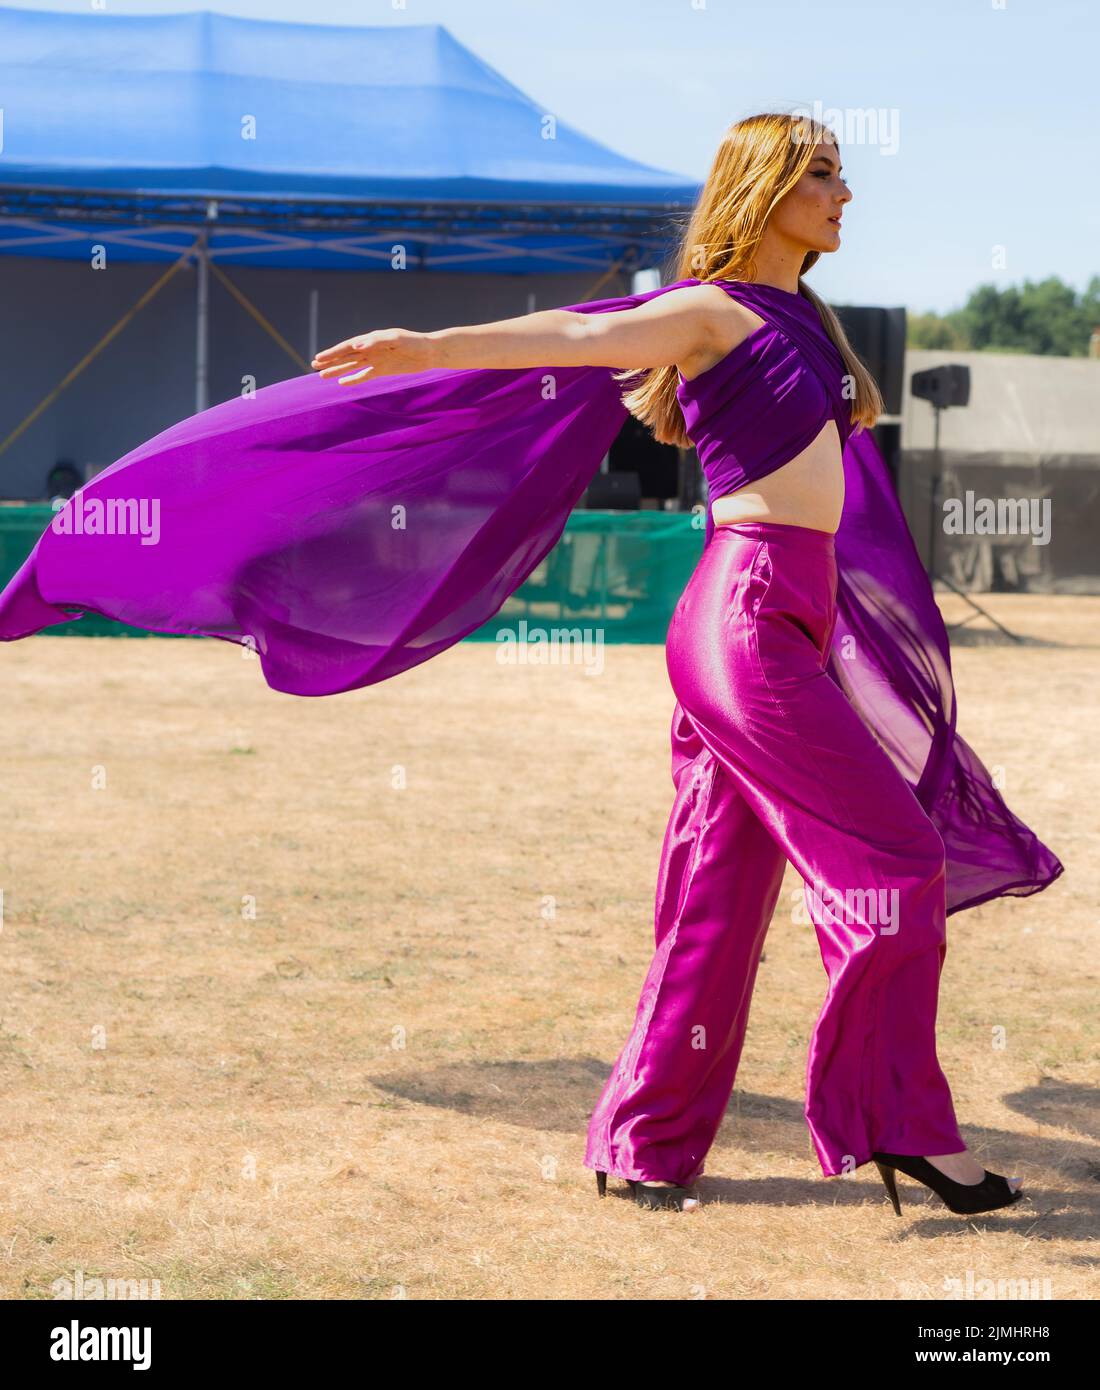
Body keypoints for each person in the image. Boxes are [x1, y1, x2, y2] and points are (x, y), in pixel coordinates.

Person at [0, 113, 1062, 1216]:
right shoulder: (707, 311)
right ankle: (899, 1126)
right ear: (764, 188)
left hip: (787, 611)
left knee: (717, 887)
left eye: (844, 173)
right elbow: (571, 335)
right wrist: (427, 348)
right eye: (822, 175)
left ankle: (644, 1140)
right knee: (893, 859)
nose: (845, 193)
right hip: (743, 619)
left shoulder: (805, 321)